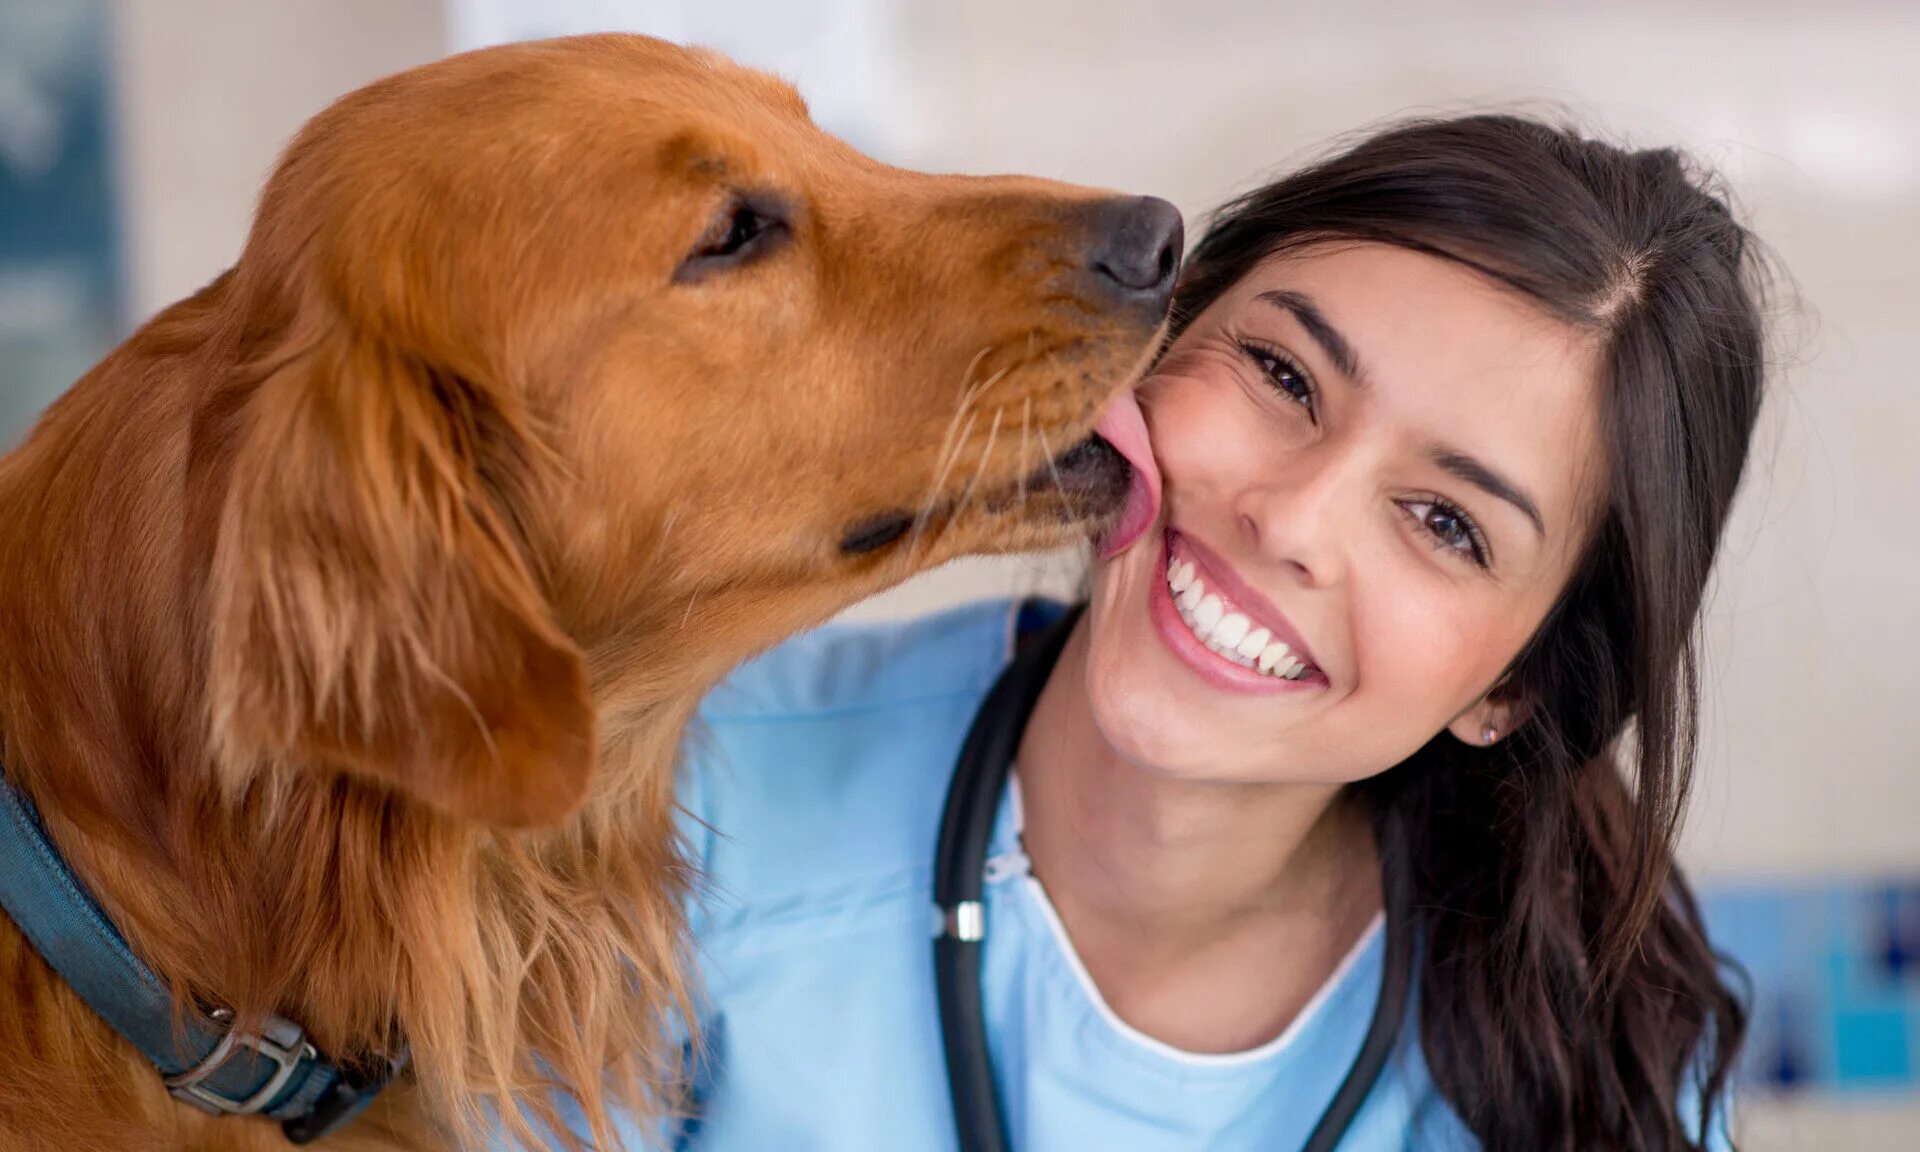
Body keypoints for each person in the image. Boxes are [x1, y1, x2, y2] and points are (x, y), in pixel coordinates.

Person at [653, 114, 1767, 1151]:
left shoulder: (1609, 1077)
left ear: (1515, 687)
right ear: (1156, 338)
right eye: (1283, 375)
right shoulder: (683, 797)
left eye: (1445, 524)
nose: (1291, 520)